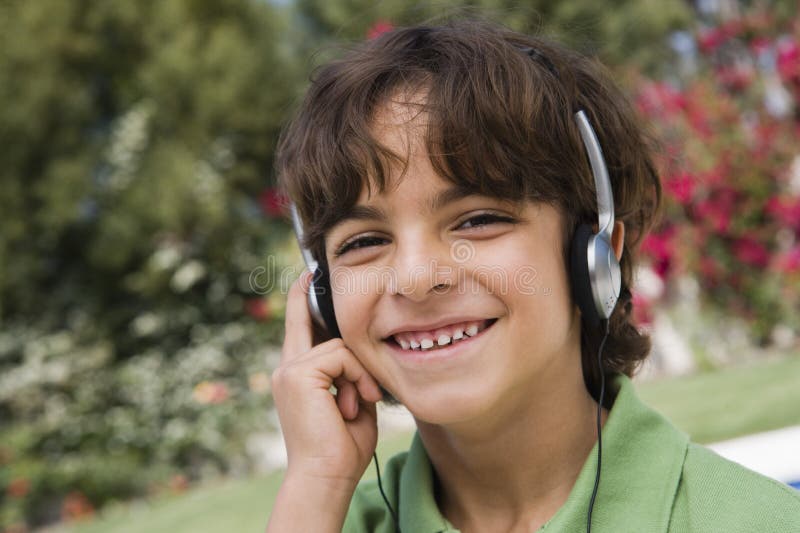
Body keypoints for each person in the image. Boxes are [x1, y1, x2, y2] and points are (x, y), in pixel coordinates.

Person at [266, 19, 800, 533]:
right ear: (323, 298)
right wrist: (316, 484)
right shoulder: (320, 517)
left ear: (593, 255)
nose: (416, 277)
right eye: (363, 242)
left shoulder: (756, 522)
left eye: (477, 220)